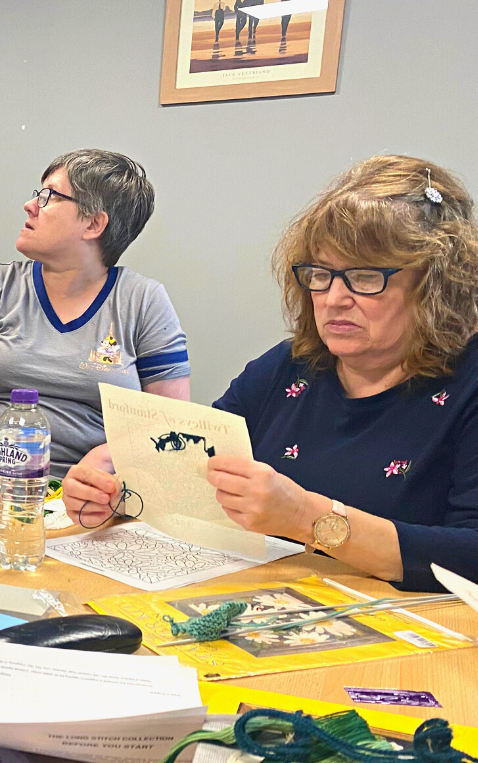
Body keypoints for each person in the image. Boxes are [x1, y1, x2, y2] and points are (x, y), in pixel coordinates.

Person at [61, 155, 478, 593]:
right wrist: (116, 480)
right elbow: (192, 468)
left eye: (365, 277)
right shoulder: (290, 367)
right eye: (320, 274)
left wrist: (307, 517)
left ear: (436, 285)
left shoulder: (467, 383)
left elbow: (470, 557)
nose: (334, 298)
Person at [0, 149, 191, 478]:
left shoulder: (144, 301)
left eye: (49, 196)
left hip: (85, 497)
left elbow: (169, 423)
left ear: (93, 224)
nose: (31, 204)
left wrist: (103, 469)